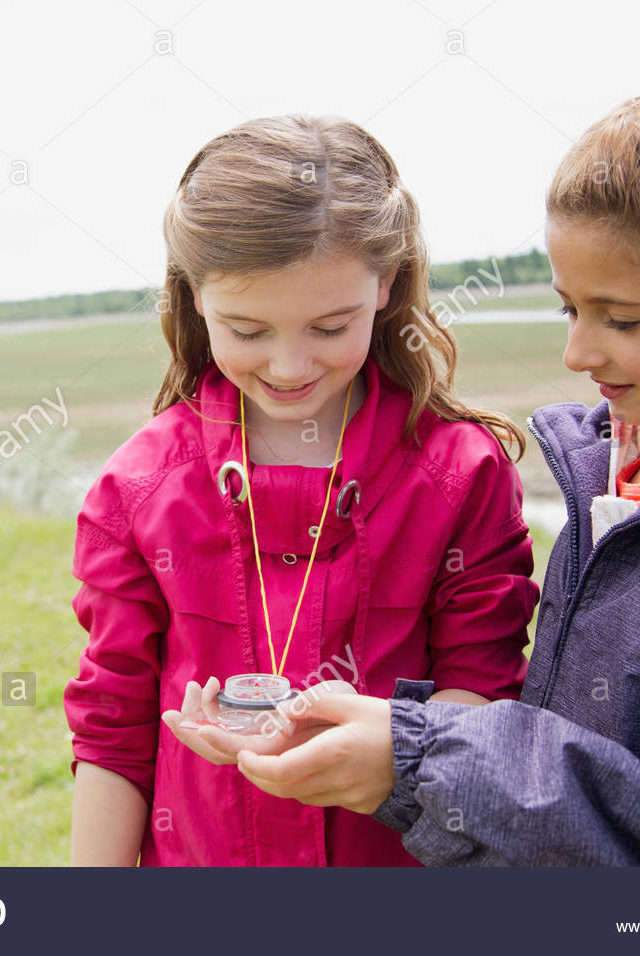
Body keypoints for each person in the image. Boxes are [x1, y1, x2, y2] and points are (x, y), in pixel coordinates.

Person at [171, 86, 640, 865]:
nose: (577, 354)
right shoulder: (609, 464)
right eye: (569, 310)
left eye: (622, 320)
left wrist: (418, 761)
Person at [63, 115, 540, 866]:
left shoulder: (461, 475)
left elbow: (481, 687)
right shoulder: (137, 489)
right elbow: (111, 727)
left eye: (329, 326)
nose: (289, 367)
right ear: (193, 300)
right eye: (248, 331)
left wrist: (387, 753)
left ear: (386, 285)